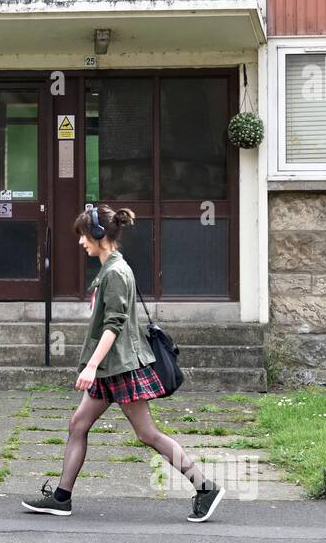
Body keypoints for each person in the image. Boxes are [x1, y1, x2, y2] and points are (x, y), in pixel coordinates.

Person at [20, 203, 224, 523]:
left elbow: (113, 326)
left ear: (100, 235)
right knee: (78, 425)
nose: (80, 242)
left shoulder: (115, 272)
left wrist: (90, 366)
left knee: (147, 434)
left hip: (120, 368)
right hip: (110, 368)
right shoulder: (112, 267)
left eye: (84, 235)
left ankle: (205, 487)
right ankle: (61, 498)